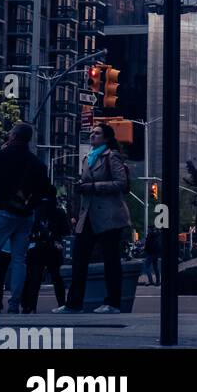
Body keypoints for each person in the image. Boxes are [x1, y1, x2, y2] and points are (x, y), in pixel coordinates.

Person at [55, 123, 131, 314]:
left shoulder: (111, 156)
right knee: (79, 259)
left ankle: (113, 303)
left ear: (106, 138)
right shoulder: (87, 157)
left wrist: (94, 186)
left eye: (97, 133)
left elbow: (121, 183)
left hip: (109, 215)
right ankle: (73, 303)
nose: (92, 136)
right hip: (88, 214)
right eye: (91, 133)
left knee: (111, 260)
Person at [0, 122, 50, 315]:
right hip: (25, 215)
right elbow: (45, 189)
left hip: (2, 212)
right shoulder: (36, 163)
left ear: (13, 136)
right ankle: (14, 303)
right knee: (19, 260)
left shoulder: (1, 156)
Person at [22, 189, 70, 312]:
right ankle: (61, 304)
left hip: (36, 247)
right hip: (54, 247)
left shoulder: (35, 211)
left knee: (34, 278)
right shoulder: (58, 212)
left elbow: (28, 230)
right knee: (56, 278)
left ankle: (30, 306)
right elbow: (66, 231)